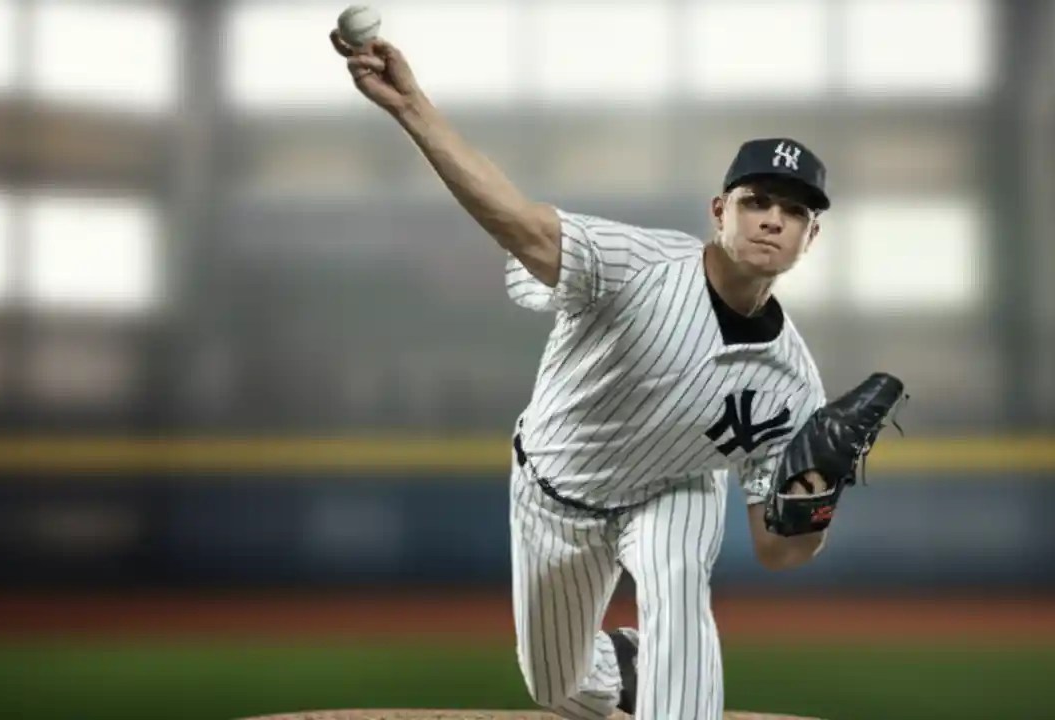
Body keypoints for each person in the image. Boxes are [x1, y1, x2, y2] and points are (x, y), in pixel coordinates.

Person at [331, 33, 839, 719]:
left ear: (811, 238)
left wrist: (815, 494)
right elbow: (516, 221)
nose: (774, 219)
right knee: (557, 687)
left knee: (677, 580)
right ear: (720, 211)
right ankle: (621, 666)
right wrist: (411, 105)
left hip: (673, 487)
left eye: (796, 211)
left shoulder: (795, 385)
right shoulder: (635, 263)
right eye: (757, 201)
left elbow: (779, 551)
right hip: (552, 492)